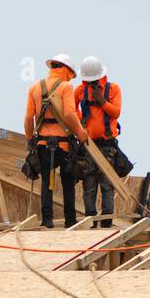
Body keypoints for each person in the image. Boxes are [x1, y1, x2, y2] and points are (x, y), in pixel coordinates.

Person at [23, 53, 89, 228]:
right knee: (68, 183)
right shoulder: (66, 87)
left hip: (44, 144)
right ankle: (70, 220)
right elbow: (69, 114)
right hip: (64, 146)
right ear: (66, 70)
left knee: (47, 183)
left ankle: (47, 220)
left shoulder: (35, 88)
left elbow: (29, 118)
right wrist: (81, 132)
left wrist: (30, 139)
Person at [73, 55, 122, 229]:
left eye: (94, 81)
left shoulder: (113, 89)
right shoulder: (80, 90)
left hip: (107, 144)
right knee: (89, 183)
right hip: (89, 145)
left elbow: (115, 113)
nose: (91, 84)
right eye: (88, 81)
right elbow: (71, 109)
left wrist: (101, 100)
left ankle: (107, 221)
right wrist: (80, 124)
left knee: (107, 184)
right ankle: (91, 220)